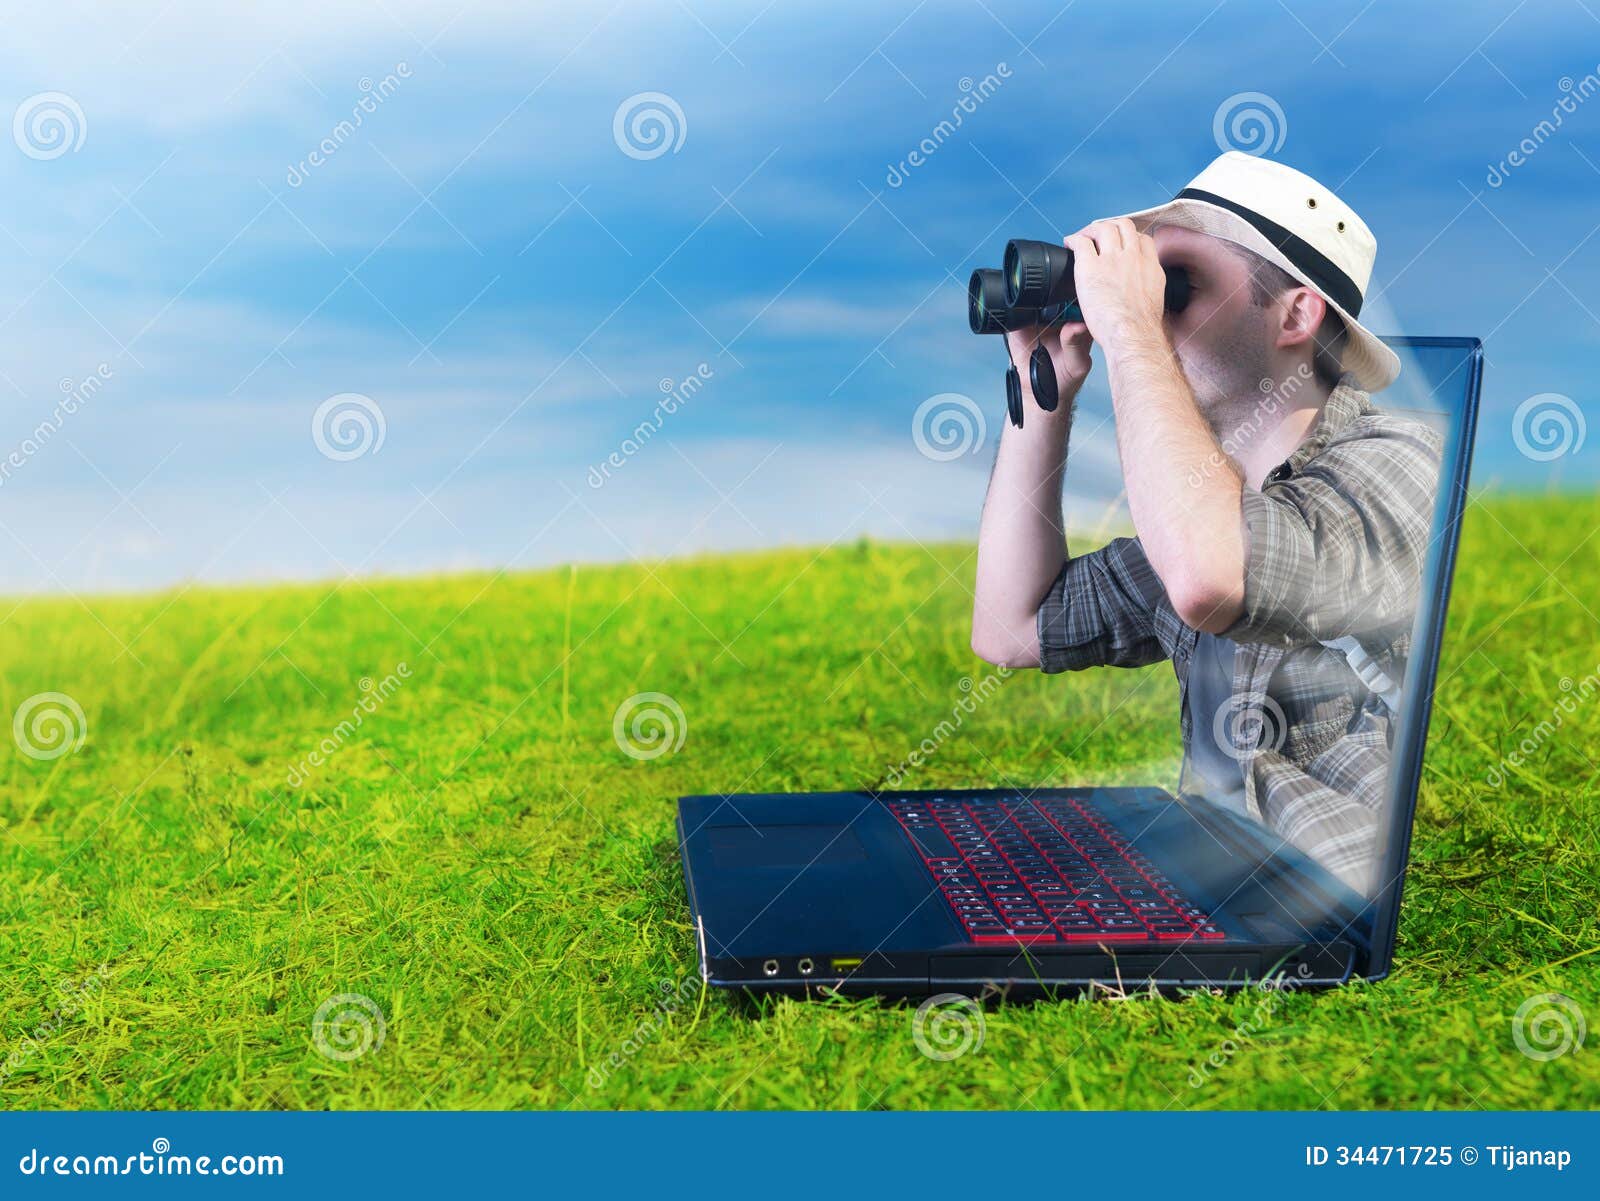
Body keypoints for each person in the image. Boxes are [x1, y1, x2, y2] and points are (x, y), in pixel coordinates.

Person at [969, 152, 1441, 893]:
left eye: (1175, 286)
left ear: (1296, 313)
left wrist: (1129, 329)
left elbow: (1210, 578)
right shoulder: (1203, 495)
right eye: (1146, 285)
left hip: (1327, 895)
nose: (1148, 304)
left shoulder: (1407, 462)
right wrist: (1047, 394)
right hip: (1208, 879)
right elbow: (1010, 626)